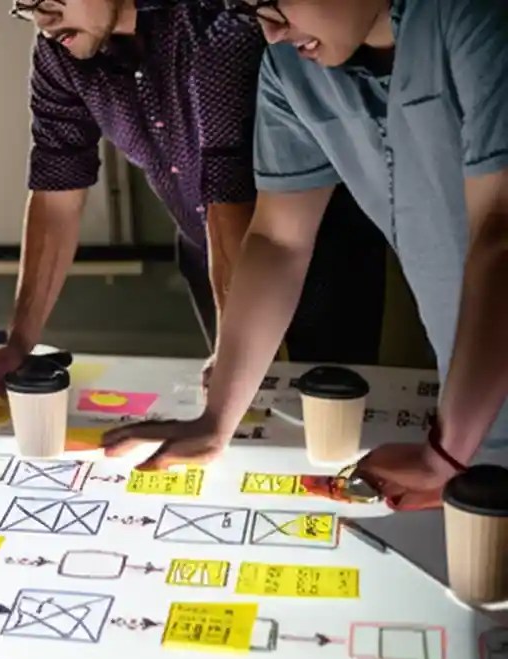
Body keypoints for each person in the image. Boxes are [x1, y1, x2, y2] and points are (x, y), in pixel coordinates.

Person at [103, 0, 508, 510]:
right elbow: (278, 241)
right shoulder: (294, 71)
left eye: (274, 3)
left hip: (466, 432)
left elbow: (500, 238)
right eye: (252, 10)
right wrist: (218, 418)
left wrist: (444, 457)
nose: (271, 33)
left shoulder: (474, 19)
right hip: (476, 418)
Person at [0, 0, 388, 396]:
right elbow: (57, 192)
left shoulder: (214, 17)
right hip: (207, 253)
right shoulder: (59, 52)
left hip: (324, 256)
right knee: (247, 420)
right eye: (23, 5)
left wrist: (233, 356)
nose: (42, 19)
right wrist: (19, 342)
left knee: (333, 417)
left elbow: (227, 192)